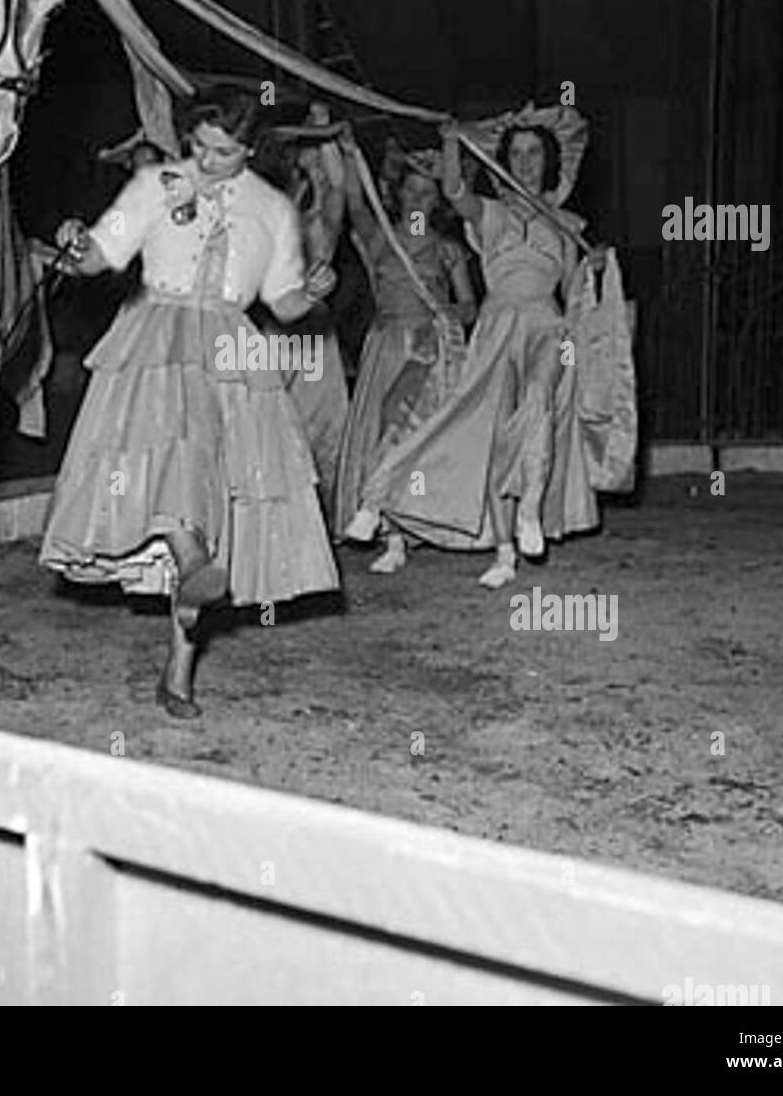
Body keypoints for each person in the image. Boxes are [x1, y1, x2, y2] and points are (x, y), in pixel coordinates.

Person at [38, 92, 340, 717]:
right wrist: (76, 242)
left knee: (215, 493)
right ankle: (194, 559)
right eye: (198, 145)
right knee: (174, 468)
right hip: (158, 339)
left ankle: (178, 664)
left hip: (230, 348)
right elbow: (101, 254)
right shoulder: (157, 183)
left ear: (251, 149)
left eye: (223, 152)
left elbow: (281, 304)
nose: (206, 159)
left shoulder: (273, 208)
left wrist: (311, 293)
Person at [346, 101, 613, 588]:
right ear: (505, 160)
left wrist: (592, 270)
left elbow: (574, 291)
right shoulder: (489, 214)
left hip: (547, 326)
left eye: (534, 152)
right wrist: (451, 140)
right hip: (496, 327)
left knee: (538, 399)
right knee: (486, 435)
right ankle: (483, 542)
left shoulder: (567, 223)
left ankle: (530, 507)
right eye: (516, 153)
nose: (525, 162)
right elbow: (453, 190)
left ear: (547, 159)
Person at [333, 128, 476, 573]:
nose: (417, 200)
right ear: (398, 193)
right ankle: (391, 535)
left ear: (438, 201)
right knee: (384, 433)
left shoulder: (448, 249)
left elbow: (471, 307)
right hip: (386, 344)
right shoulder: (378, 236)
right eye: (410, 190)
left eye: (427, 193)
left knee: (418, 438)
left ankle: (419, 521)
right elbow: (354, 201)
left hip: (429, 349)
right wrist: (349, 151)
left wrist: (445, 314)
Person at [253, 101, 350, 522]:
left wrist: (324, 131)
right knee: (271, 424)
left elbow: (337, 189)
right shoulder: (262, 211)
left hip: (315, 336)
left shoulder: (320, 222)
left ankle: (321, 523)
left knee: (325, 428)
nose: (299, 166)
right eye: (294, 159)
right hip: (271, 330)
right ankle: (272, 519)